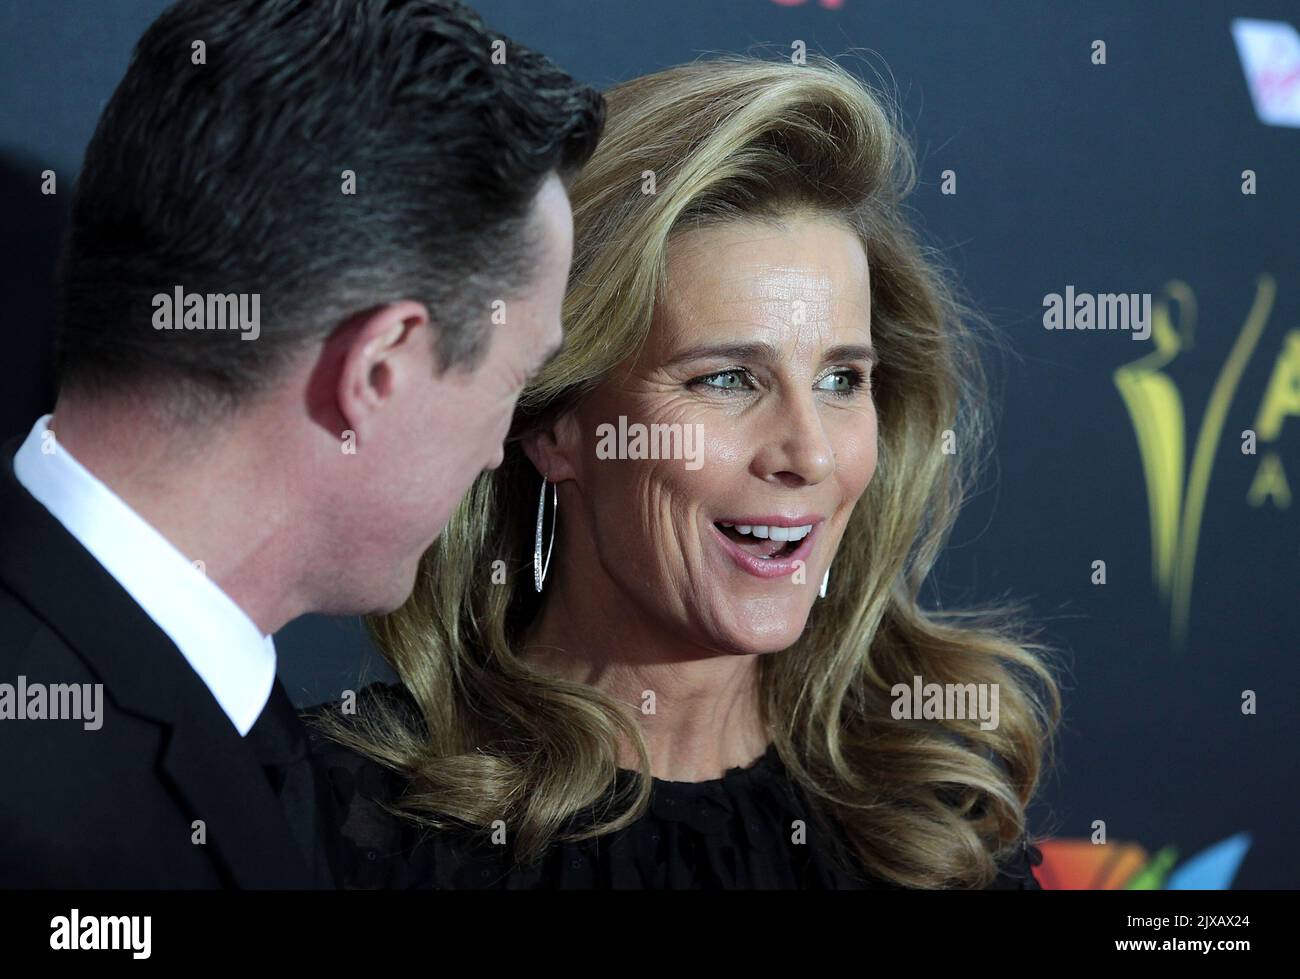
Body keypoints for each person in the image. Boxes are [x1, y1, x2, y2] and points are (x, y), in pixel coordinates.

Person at [312, 54, 1061, 890]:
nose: (809, 454)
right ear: (557, 422)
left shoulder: (930, 838)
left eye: (841, 379)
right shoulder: (349, 819)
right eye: (727, 379)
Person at [0, 0, 602, 888]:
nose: (494, 454)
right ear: (379, 369)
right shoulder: (45, 818)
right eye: (515, 380)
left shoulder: (217, 707)